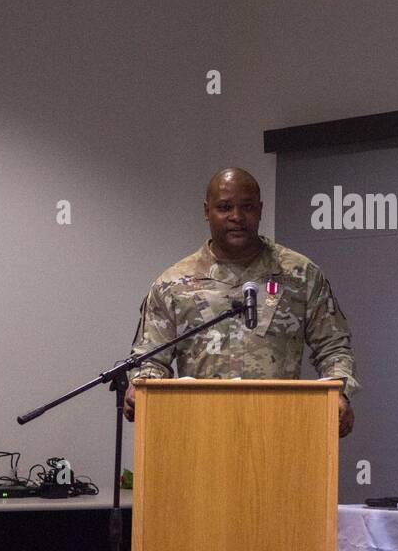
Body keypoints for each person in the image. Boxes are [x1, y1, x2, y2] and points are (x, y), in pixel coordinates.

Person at [126, 168, 359, 436]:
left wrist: (339, 391)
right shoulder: (173, 284)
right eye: (224, 207)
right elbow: (150, 360)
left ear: (260, 210)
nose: (236, 217)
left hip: (279, 429)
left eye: (246, 207)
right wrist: (141, 388)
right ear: (206, 211)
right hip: (199, 432)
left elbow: (334, 347)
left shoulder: (299, 274)